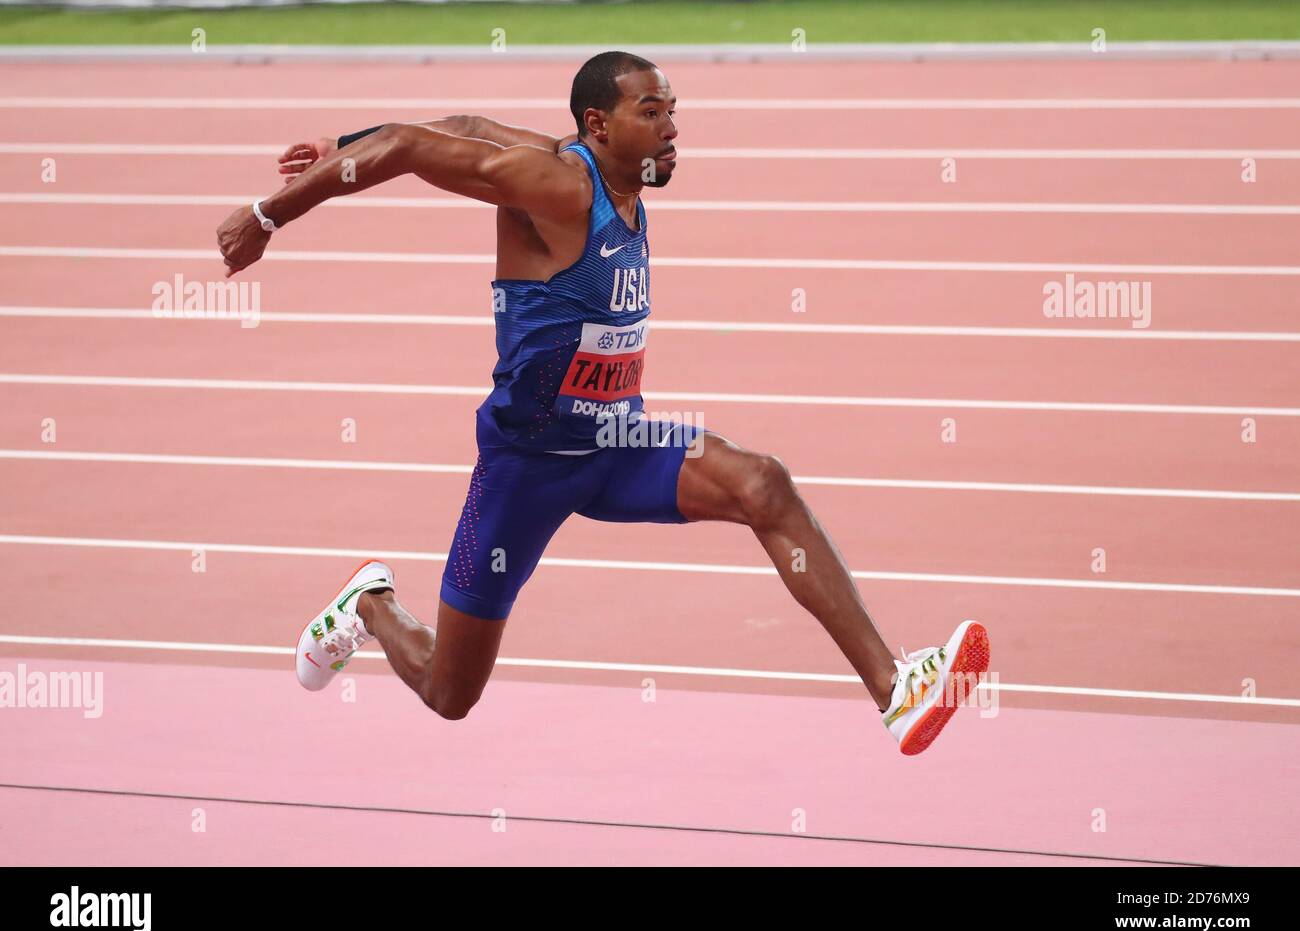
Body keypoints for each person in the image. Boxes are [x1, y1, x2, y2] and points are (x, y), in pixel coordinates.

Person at [215, 51, 989, 756]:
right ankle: (372, 606)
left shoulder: (609, 176)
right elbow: (417, 148)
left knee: (764, 483)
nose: (673, 129)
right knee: (451, 696)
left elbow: (463, 126)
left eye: (672, 109)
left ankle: (896, 688)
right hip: (528, 467)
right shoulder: (554, 187)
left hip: (620, 442)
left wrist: (344, 138)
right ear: (599, 124)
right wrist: (266, 216)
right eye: (651, 113)